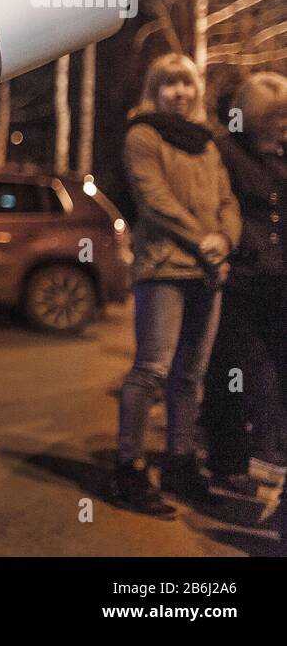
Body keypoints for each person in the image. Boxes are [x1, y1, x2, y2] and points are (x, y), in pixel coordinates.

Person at [109, 52, 242, 519]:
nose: (180, 94)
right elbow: (155, 200)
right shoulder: (142, 134)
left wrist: (225, 238)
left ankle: (181, 464)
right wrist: (203, 238)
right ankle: (129, 466)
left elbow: (228, 200)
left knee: (191, 377)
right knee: (152, 370)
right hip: (164, 268)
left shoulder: (207, 143)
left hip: (207, 271)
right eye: (170, 85)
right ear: (155, 90)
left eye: (187, 85)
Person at [203, 72, 287, 495]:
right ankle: (227, 457)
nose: (283, 125)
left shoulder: (283, 154)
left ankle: (268, 448)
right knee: (234, 371)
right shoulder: (224, 150)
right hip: (239, 279)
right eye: (276, 118)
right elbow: (218, 205)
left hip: (280, 283)